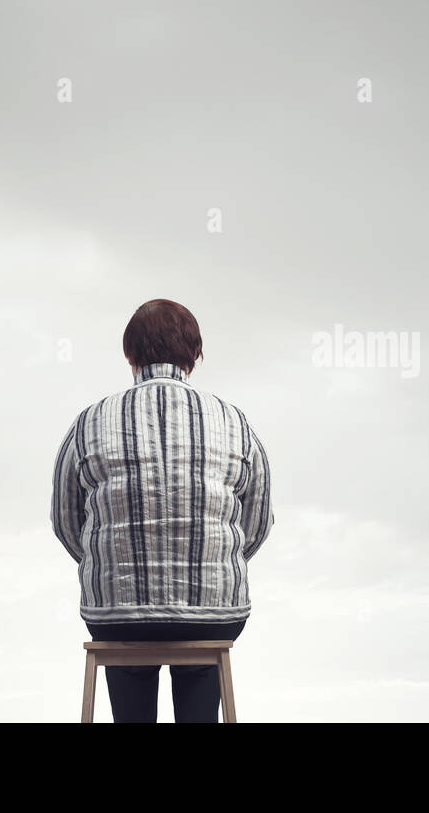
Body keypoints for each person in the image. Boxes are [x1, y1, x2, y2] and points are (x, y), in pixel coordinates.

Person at [50, 298, 274, 722]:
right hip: (213, 617)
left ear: (129, 355)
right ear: (195, 354)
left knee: (127, 653)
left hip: (117, 619)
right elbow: (257, 524)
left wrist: (113, 564)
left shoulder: (89, 421)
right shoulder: (235, 422)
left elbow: (65, 522)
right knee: (200, 660)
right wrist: (214, 565)